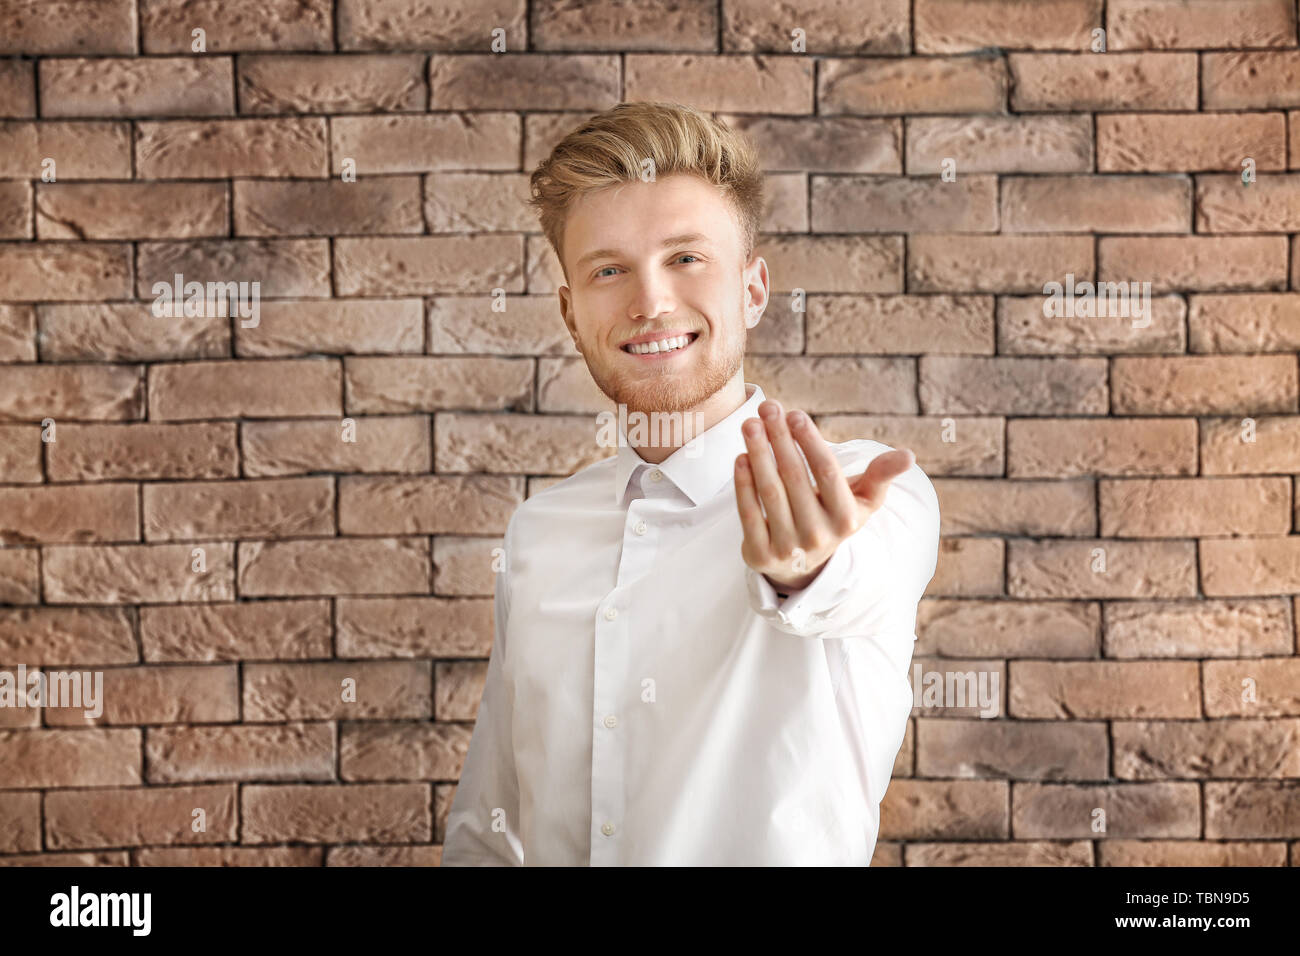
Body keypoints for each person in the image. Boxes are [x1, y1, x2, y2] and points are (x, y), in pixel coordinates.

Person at [441, 101, 940, 866]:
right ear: (572, 314)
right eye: (610, 270)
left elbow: (855, 574)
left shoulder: (866, 494)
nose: (651, 302)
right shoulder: (539, 532)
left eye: (686, 258)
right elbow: (489, 823)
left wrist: (803, 569)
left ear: (752, 289)